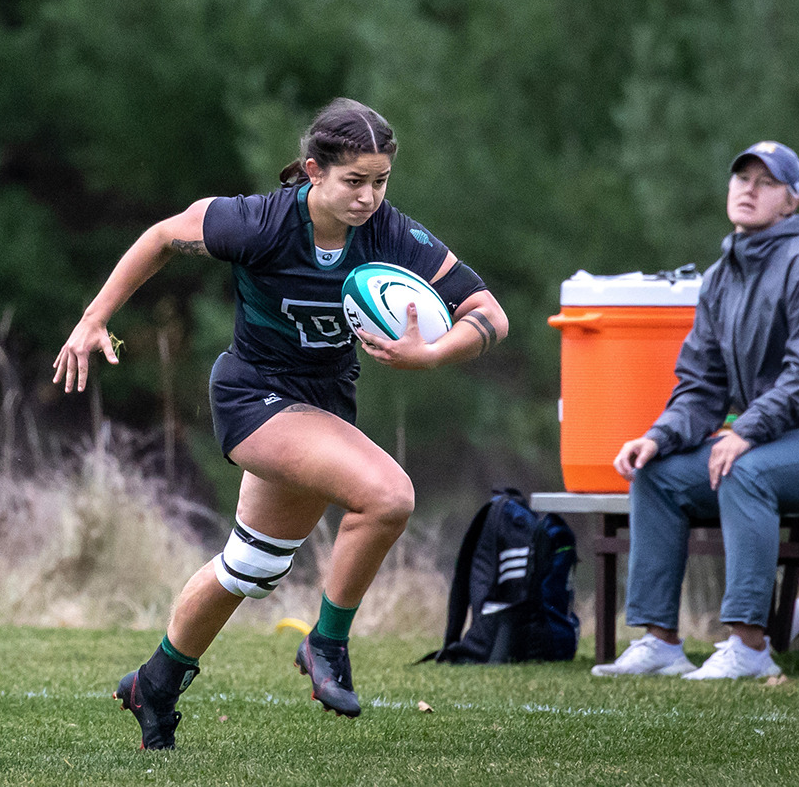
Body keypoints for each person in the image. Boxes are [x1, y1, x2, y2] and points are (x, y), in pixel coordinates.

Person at [54, 98, 509, 750]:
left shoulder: (390, 234)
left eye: (381, 181)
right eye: (354, 181)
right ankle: (327, 645)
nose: (368, 197)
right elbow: (161, 237)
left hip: (324, 406)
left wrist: (433, 352)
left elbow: (488, 313)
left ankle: (155, 682)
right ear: (313, 171)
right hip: (254, 397)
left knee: (252, 566)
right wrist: (93, 319)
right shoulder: (259, 222)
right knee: (389, 497)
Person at [599, 141, 799, 680]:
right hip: (781, 439)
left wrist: (745, 431)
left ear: (791, 201)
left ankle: (748, 645)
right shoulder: (722, 277)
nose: (749, 189)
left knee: (744, 470)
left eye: (766, 182)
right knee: (657, 473)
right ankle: (660, 642)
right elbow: (701, 385)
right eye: (742, 178)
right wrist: (659, 436)